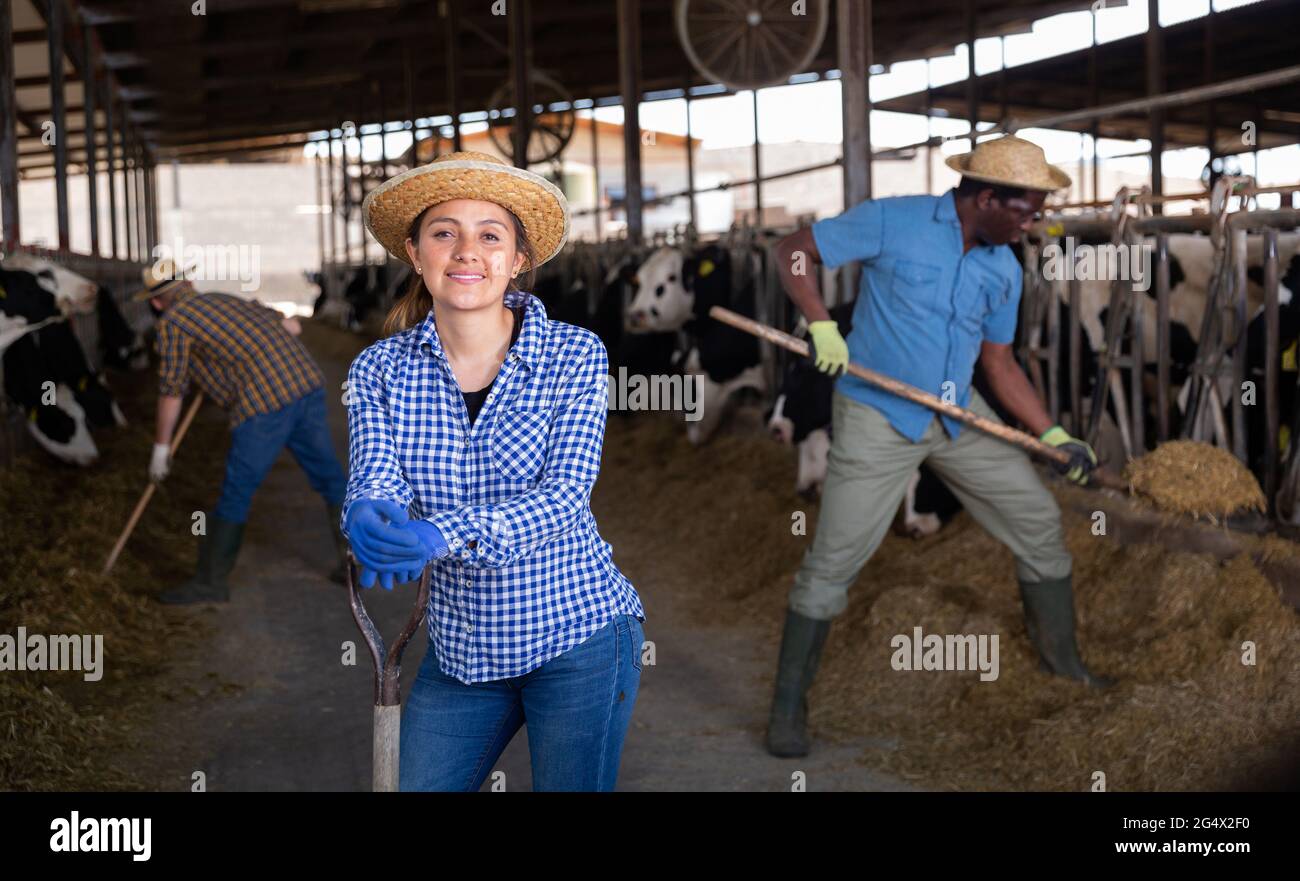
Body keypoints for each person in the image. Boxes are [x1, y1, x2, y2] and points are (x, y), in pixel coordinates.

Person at [766, 135, 1112, 759]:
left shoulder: (1003, 268)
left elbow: (1000, 365)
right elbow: (794, 251)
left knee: (1037, 520)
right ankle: (788, 707)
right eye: (1028, 210)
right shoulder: (894, 220)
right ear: (986, 197)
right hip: (878, 414)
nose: (1036, 223)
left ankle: (1065, 666)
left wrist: (1053, 434)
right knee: (833, 562)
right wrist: (820, 321)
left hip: (956, 414)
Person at [342, 151, 645, 792]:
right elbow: (375, 474)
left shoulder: (574, 354)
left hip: (576, 635)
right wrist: (370, 513)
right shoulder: (378, 369)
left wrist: (439, 535)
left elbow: (564, 497)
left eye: (490, 236)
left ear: (517, 260)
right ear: (414, 251)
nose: (466, 252)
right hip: (461, 651)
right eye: (444, 233)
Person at [137, 258, 349, 602]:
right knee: (328, 475)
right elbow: (287, 325)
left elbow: (171, 390)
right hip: (305, 384)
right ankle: (355, 563)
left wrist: (161, 447)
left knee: (237, 489)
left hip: (265, 404)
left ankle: (210, 583)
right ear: (188, 285)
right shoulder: (224, 299)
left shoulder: (173, 323)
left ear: (156, 302)